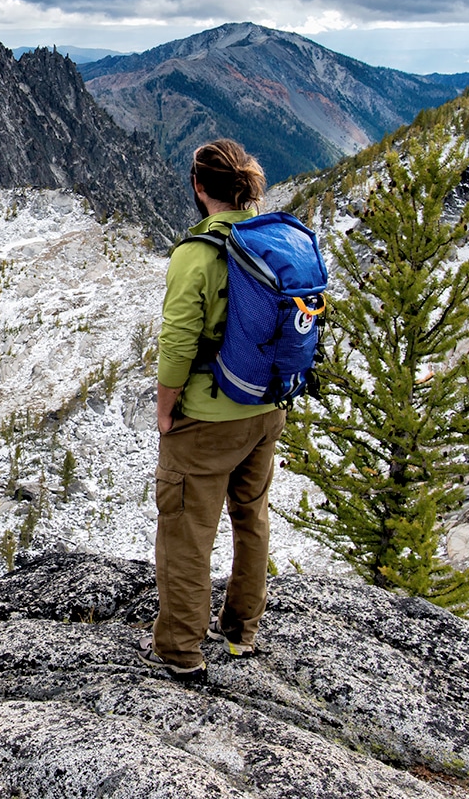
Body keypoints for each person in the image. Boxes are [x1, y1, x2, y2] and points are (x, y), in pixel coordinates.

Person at [139, 138, 284, 682]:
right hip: (266, 408)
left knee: (186, 531)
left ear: (199, 188)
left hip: (208, 418)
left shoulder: (197, 253)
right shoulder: (272, 240)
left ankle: (181, 649)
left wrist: (165, 409)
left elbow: (178, 342)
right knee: (252, 517)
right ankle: (242, 630)